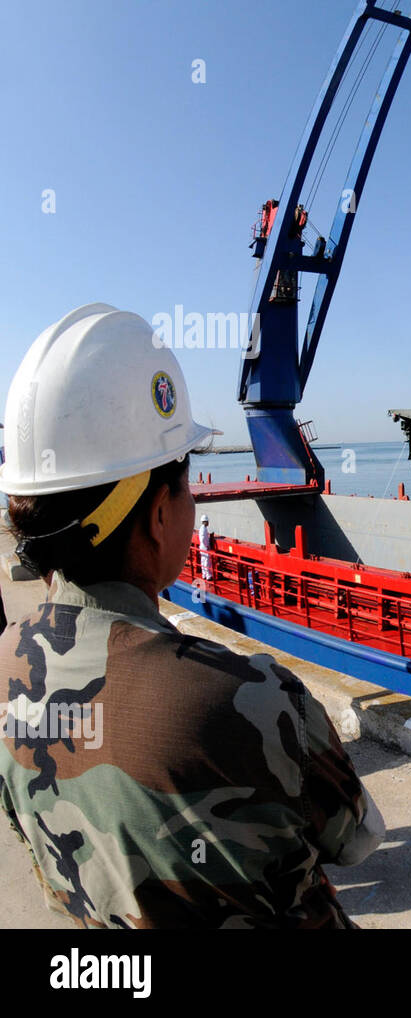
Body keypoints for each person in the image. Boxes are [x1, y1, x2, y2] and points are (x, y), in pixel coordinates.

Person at [0, 303, 384, 928]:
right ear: (157, 515)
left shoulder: (6, 672)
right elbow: (357, 837)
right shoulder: (258, 702)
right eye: (185, 480)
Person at [198, 512, 214, 581]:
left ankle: (204, 574)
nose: (208, 523)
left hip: (202, 547)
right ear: (205, 521)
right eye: (207, 521)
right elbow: (203, 539)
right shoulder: (203, 529)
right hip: (204, 547)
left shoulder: (202, 528)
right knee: (206, 562)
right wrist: (207, 545)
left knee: (203, 561)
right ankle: (208, 576)